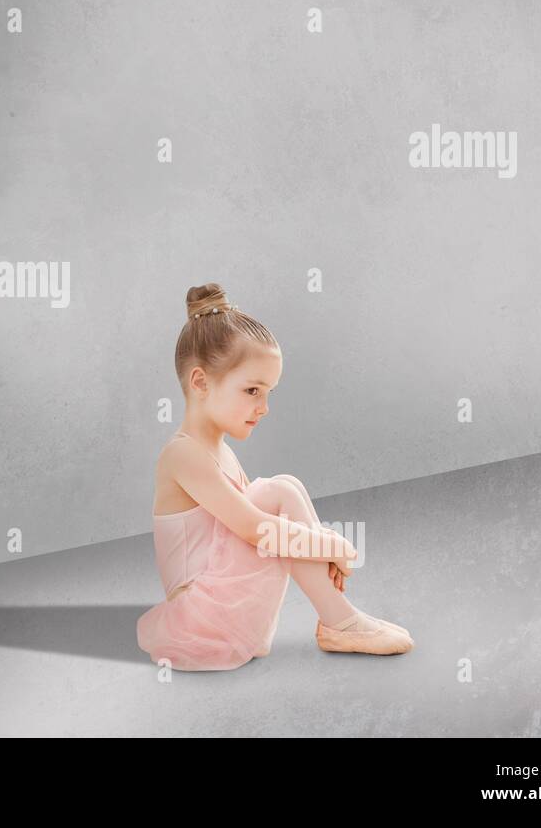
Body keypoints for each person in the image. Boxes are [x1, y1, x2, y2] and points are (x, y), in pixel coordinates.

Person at [137, 283, 414, 670]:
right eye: (252, 390)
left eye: (269, 393)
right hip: (198, 622)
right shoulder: (182, 453)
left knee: (284, 488)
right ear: (200, 382)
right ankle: (340, 620)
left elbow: (260, 532)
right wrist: (329, 545)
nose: (264, 407)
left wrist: (318, 543)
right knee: (279, 492)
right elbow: (254, 530)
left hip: (224, 611)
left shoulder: (222, 452)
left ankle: (339, 617)